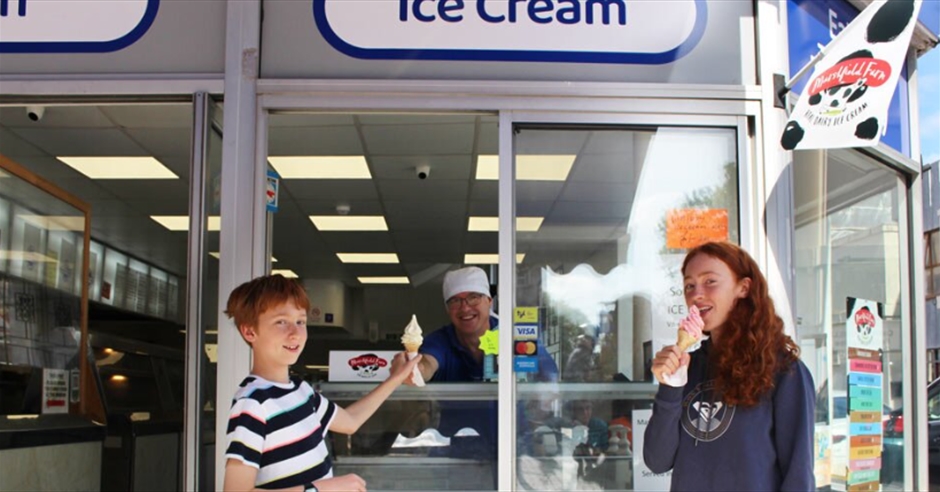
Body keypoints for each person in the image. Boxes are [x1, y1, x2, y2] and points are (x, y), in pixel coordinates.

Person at [222, 274, 421, 492]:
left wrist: (396, 378)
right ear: (249, 331)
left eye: (301, 321)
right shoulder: (253, 403)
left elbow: (350, 422)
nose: (295, 333)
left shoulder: (301, 390)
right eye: (281, 322)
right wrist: (320, 489)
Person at [643, 241, 814, 491]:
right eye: (689, 285)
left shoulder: (783, 370)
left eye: (709, 281)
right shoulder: (688, 368)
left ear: (743, 288)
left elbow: (798, 474)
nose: (696, 294)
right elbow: (657, 461)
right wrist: (670, 387)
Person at [392, 266, 558, 455]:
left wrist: (534, 423)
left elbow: (550, 378)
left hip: (513, 447)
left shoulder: (515, 336)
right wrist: (411, 367)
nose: (465, 307)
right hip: (457, 447)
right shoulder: (441, 340)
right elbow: (427, 364)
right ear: (448, 310)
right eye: (455, 300)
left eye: (473, 297)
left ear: (489, 301)